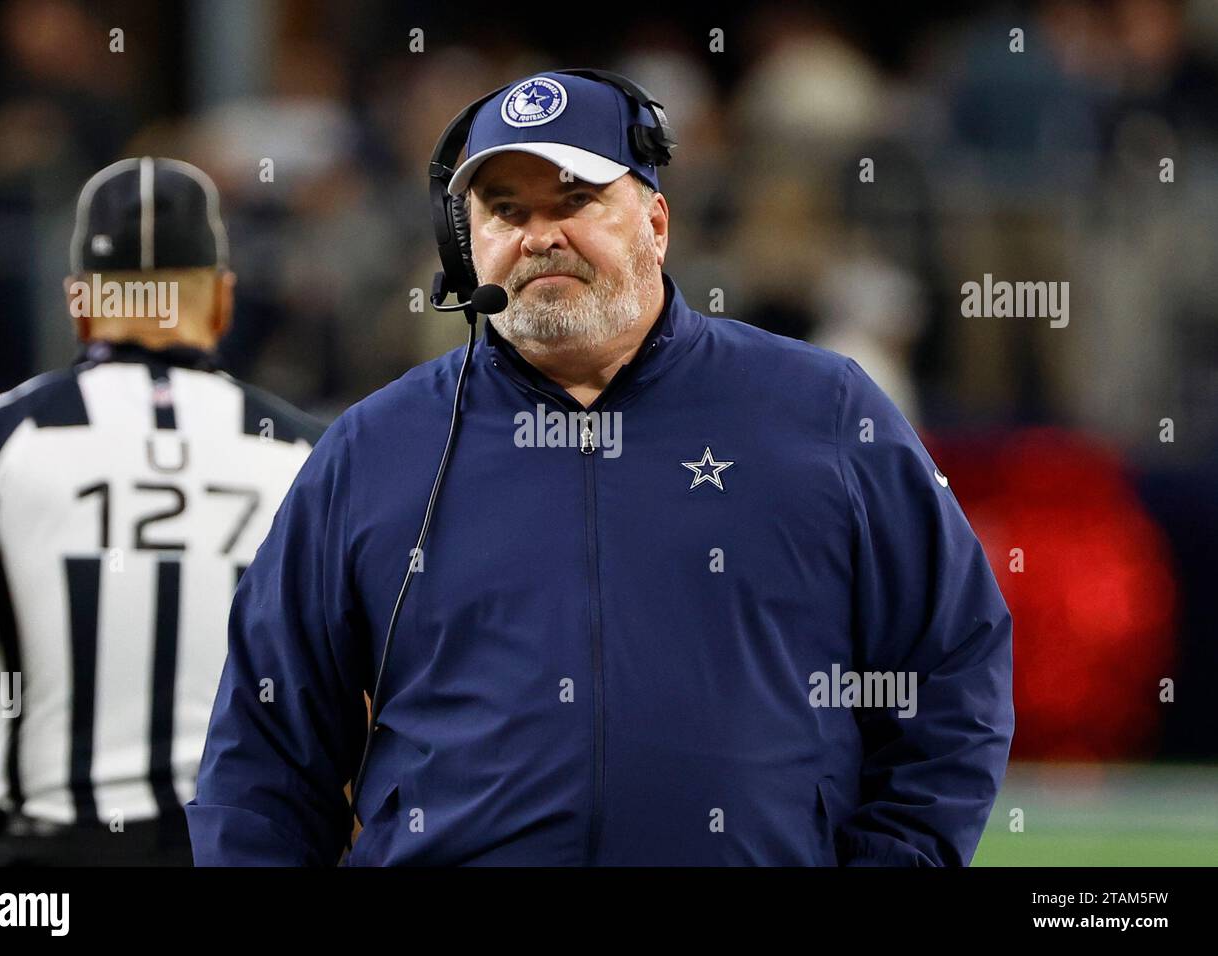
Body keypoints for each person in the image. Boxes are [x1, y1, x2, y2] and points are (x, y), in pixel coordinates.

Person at [188, 71, 1014, 866]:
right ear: (464, 244)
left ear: (656, 222)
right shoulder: (373, 451)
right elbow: (262, 754)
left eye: (576, 201)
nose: (540, 235)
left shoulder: (821, 412)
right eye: (504, 210)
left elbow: (950, 672)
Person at [0, 157, 324, 865]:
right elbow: (358, 684)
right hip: (239, 848)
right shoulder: (308, 452)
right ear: (222, 301)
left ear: (77, 301)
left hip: (54, 866)